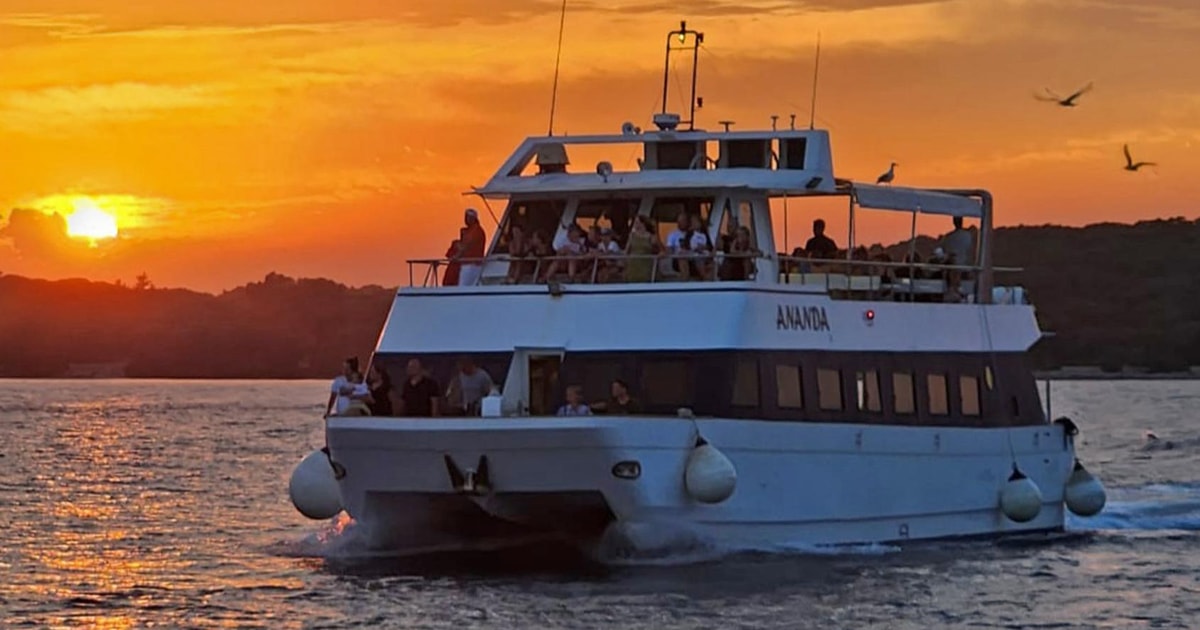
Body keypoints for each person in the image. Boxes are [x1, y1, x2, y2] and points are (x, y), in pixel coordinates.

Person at [455, 208, 487, 287]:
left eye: (467, 217)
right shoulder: (471, 231)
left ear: (473, 218)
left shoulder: (476, 231)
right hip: (470, 264)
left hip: (471, 265)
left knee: (463, 288)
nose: (465, 219)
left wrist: (457, 248)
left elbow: (465, 247)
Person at [623, 215, 658, 283]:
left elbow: (656, 250)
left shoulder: (651, 236)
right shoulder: (632, 236)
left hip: (646, 265)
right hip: (633, 266)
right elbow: (627, 251)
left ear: (642, 223)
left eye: (637, 222)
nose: (635, 224)